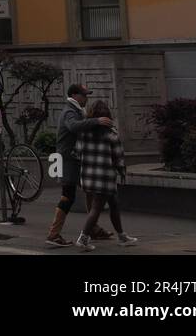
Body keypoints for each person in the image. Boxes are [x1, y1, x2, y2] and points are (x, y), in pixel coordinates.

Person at [47, 83, 115, 247]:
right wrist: (96, 121)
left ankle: (93, 228)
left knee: (90, 190)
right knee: (68, 195)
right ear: (75, 95)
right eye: (84, 95)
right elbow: (73, 126)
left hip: (74, 158)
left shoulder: (77, 110)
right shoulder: (70, 111)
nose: (86, 98)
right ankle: (53, 234)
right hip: (67, 159)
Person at [75, 100, 138, 250]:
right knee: (97, 208)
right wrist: (122, 171)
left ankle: (122, 236)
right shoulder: (111, 134)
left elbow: (77, 153)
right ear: (107, 116)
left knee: (114, 204)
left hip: (88, 176)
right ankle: (83, 238)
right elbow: (118, 156)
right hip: (104, 177)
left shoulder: (84, 133)